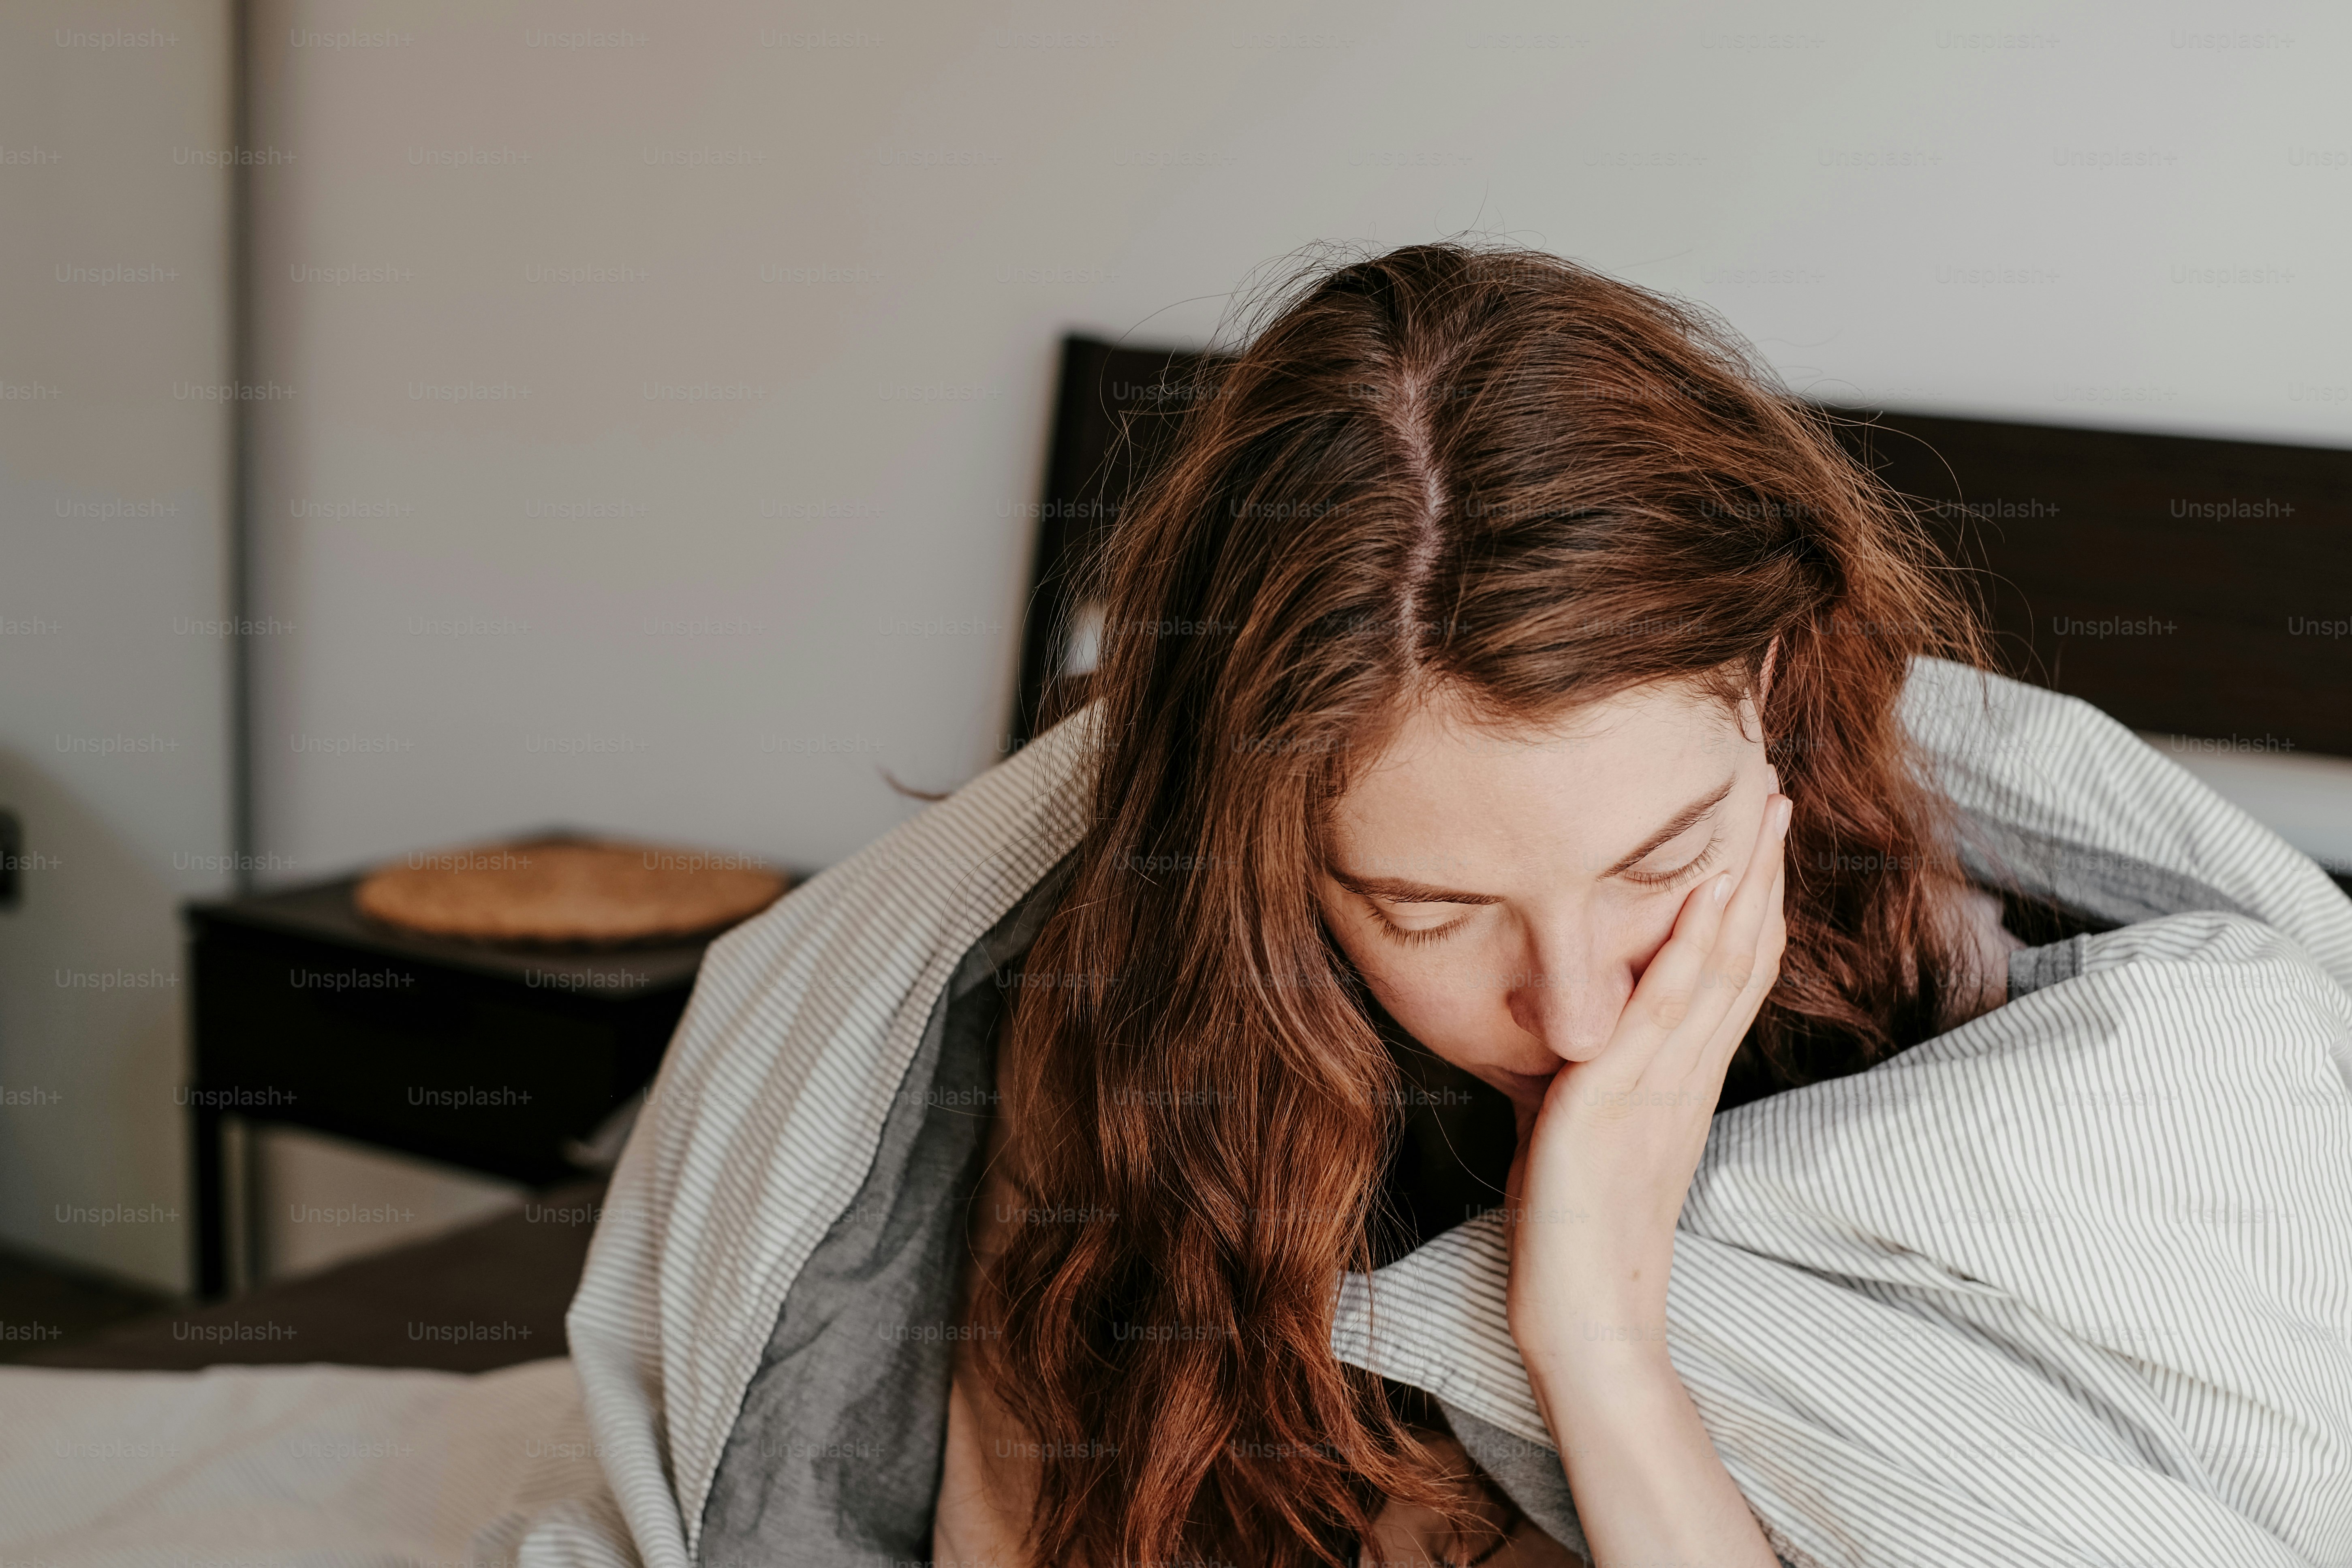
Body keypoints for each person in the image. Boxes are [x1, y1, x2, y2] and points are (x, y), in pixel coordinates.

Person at [929, 243, 2054, 1568]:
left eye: (1661, 860)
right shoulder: (1110, 1087)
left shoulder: (1984, 1017)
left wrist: (1594, 1335)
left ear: (1764, 681)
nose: (1575, 1017)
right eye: (1427, 911)